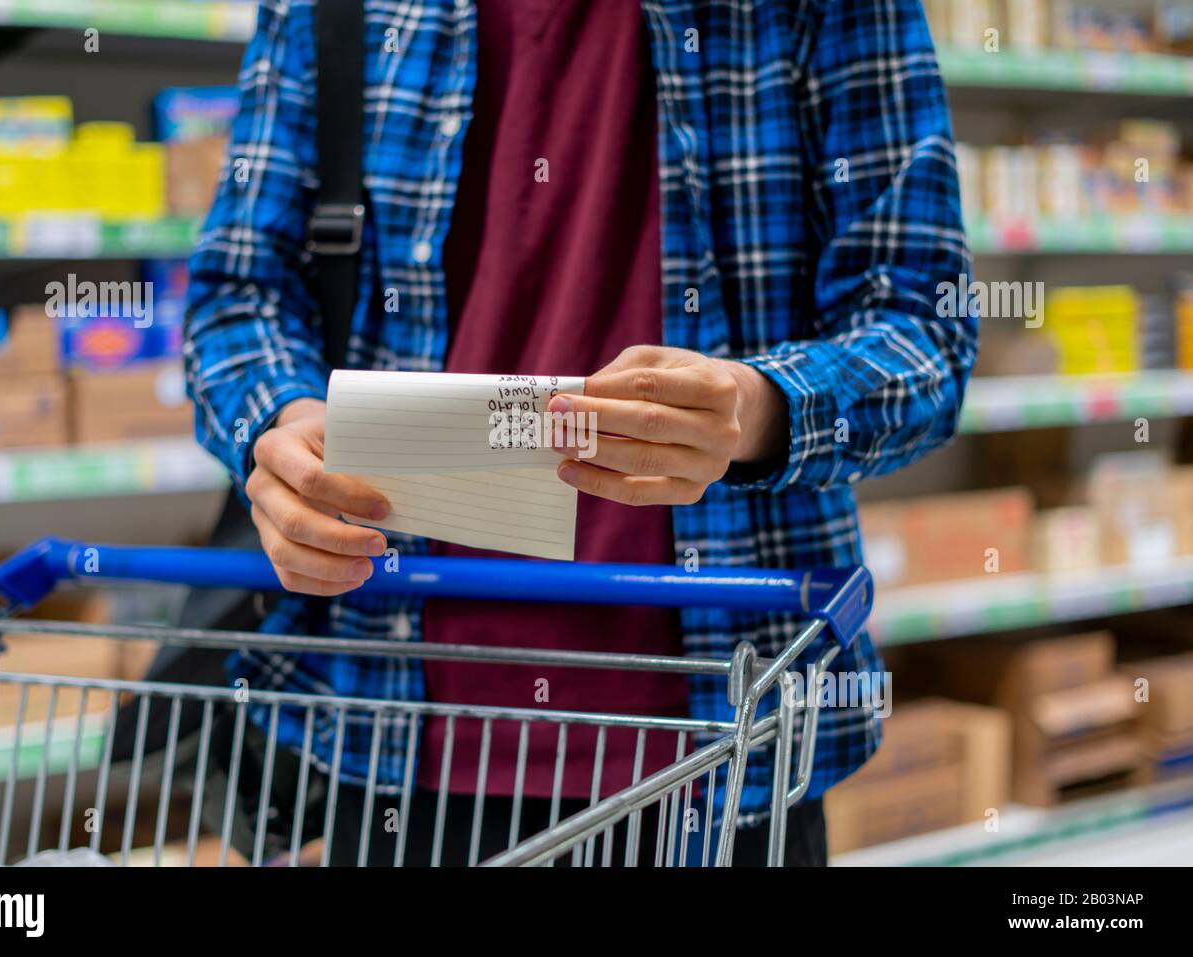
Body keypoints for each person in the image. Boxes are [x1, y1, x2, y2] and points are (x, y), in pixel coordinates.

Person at [184, 0, 977, 866]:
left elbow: (924, 327)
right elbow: (240, 294)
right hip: (390, 718)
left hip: (724, 740)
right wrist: (283, 424)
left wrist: (760, 408)